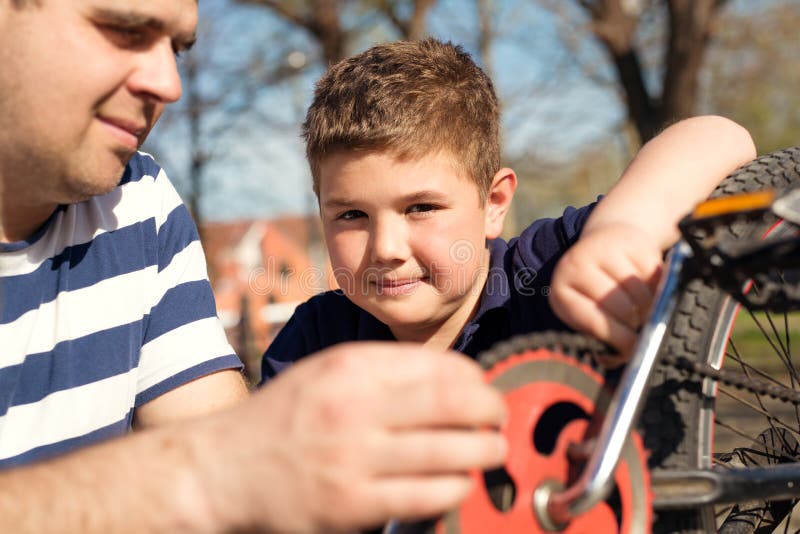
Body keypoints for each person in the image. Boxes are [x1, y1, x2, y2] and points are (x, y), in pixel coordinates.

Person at [0, 3, 507, 532]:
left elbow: (246, 485)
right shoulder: (313, 337)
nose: (171, 85)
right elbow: (235, 473)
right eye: (124, 30)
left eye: (177, 48)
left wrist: (607, 227)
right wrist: (208, 477)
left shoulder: (136, 205)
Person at [261, 38, 757, 379]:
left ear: (494, 203)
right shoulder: (313, 344)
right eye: (351, 215)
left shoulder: (549, 271)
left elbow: (720, 137)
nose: (386, 249)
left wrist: (622, 232)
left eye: (420, 207)